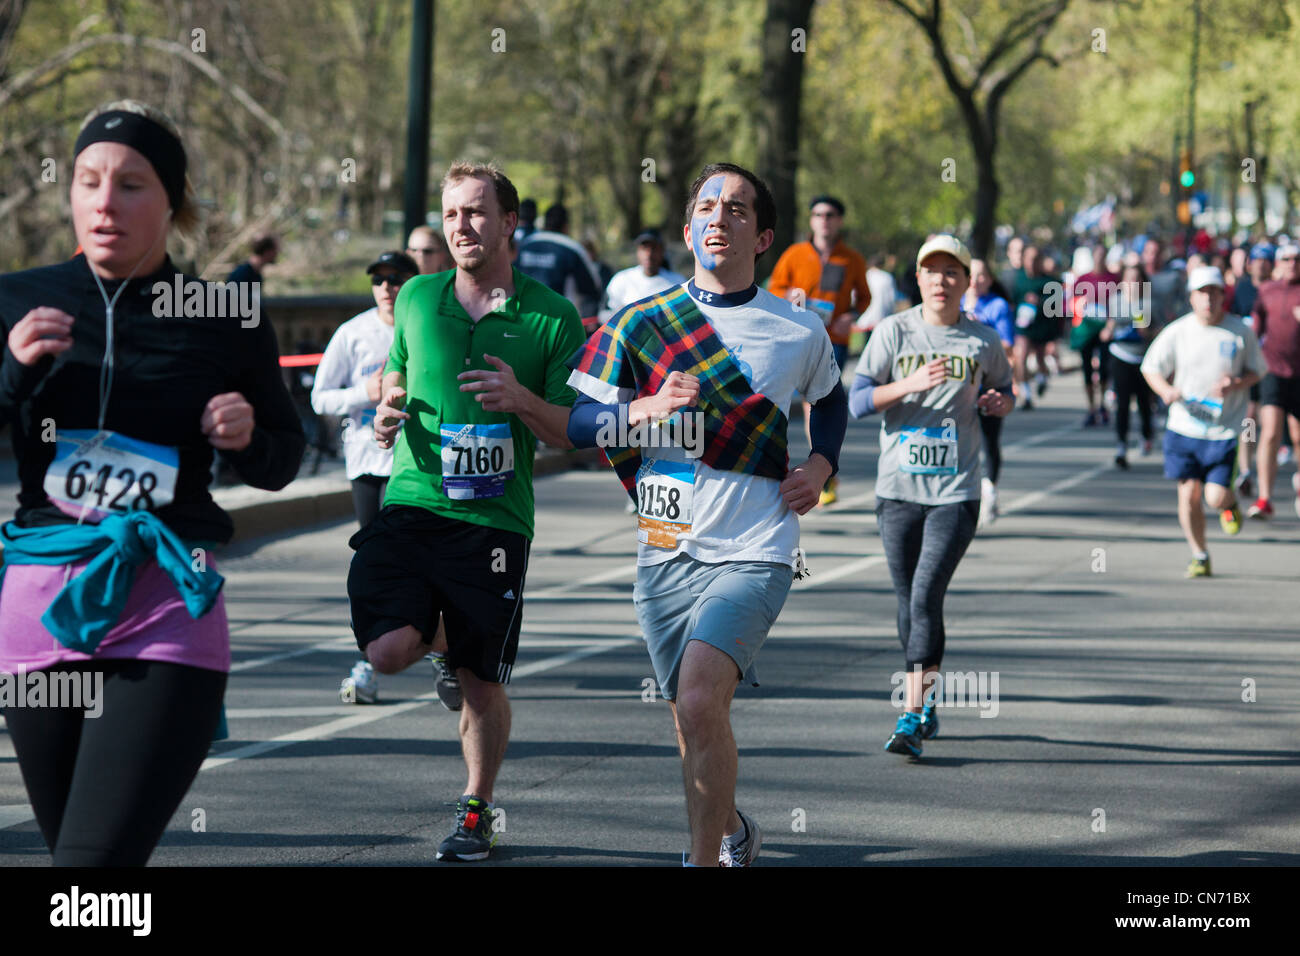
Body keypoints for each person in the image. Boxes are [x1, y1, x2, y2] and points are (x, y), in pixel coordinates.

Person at [0, 100, 305, 865]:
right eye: (88, 181)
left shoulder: (219, 311)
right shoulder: (17, 299)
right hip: (39, 619)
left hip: (165, 607)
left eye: (132, 184)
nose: (105, 203)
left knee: (91, 863)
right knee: (76, 862)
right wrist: (10, 373)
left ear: (172, 202)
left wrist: (244, 437)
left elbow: (281, 460)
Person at [565, 163, 846, 866]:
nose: (721, 217)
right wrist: (641, 410)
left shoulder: (797, 328)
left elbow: (832, 400)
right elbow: (579, 421)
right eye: (708, 207)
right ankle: (730, 832)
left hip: (756, 549)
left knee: (696, 698)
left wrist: (818, 463)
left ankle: (698, 862)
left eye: (739, 209)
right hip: (663, 550)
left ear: (765, 237)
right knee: (692, 719)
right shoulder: (640, 320)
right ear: (689, 229)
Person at [348, 161, 585, 861]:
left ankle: (476, 809)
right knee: (386, 652)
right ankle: (438, 644)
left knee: (484, 682)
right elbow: (396, 368)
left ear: (510, 223)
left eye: (477, 213)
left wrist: (523, 401)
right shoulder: (419, 297)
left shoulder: (551, 315)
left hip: (494, 521)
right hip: (414, 498)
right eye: (452, 214)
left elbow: (571, 427)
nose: (462, 227)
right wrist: (389, 402)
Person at [849, 235, 1014, 757]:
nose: (941, 281)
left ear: (967, 281)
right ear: (917, 279)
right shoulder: (893, 332)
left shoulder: (983, 340)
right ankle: (927, 695)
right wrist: (909, 384)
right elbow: (856, 402)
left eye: (952, 272)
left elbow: (1008, 393)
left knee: (925, 596)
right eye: (931, 271)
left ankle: (912, 714)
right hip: (896, 490)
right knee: (907, 602)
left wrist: (996, 402)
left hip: (955, 491)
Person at [312, 251, 457, 707]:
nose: (387, 287)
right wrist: (365, 393)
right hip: (370, 468)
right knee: (375, 571)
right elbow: (319, 397)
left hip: (422, 471)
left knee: (432, 564)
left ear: (414, 284)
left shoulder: (433, 326)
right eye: (378, 279)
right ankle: (369, 661)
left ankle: (442, 648)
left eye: (397, 278)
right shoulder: (352, 333)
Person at [1141, 267, 1260, 577]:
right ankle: (1200, 554)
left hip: (1224, 429)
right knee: (1188, 494)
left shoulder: (1239, 332)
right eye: (1202, 292)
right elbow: (1150, 367)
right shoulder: (1178, 331)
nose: (1208, 298)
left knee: (1214, 496)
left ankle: (1229, 502)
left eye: (1214, 292)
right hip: (1184, 427)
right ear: (1192, 297)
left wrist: (1235, 384)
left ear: (1223, 296)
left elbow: (1258, 370)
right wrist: (1166, 390)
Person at [767, 195, 871, 505]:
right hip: (797, 337)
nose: (823, 219)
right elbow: (773, 289)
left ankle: (823, 468)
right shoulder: (794, 254)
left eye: (830, 215)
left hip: (833, 341)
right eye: (817, 214)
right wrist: (790, 295)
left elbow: (864, 297)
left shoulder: (850, 258)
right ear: (811, 220)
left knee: (820, 402)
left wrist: (849, 318)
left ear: (839, 220)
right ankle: (815, 467)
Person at [1246, 242, 1300, 519]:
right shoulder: (1266, 292)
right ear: (1278, 263)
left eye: (1297, 259)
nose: (1292, 263)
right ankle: (1265, 497)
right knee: (1268, 432)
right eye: (1287, 258)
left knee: (1298, 435)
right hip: (1272, 371)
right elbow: (1255, 329)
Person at [963, 258, 1015, 524]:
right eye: (971, 275)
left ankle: (990, 491)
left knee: (989, 441)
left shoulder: (997, 305)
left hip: (990, 385)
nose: (976, 280)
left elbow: (1007, 344)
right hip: (960, 386)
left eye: (982, 275)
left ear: (990, 279)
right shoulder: (955, 303)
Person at [515, 202, 604, 322]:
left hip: (523, 319)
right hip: (559, 324)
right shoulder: (573, 249)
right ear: (566, 226)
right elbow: (593, 287)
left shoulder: (524, 246)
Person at [1106, 259, 1156, 468]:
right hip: (1120, 355)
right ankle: (1121, 446)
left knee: (1144, 403)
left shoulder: (1148, 303)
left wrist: (1146, 331)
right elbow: (1109, 326)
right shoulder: (1116, 301)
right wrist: (1107, 331)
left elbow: (1155, 331)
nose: (1132, 284)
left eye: (1136, 280)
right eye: (1129, 280)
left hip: (1143, 359)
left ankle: (1146, 435)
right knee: (1122, 404)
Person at [1070, 244, 1117, 427]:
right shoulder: (1083, 278)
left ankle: (1103, 405)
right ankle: (1091, 408)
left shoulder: (1113, 279)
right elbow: (1072, 302)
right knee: (1087, 369)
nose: (1099, 259)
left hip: (1105, 330)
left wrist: (1111, 325)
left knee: (1105, 368)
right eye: (1096, 256)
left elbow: (1119, 302)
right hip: (1087, 330)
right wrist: (1079, 306)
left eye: (1102, 255)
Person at [598, 229, 686, 321]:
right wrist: (621, 315)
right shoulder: (621, 279)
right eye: (644, 249)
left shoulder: (678, 282)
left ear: (662, 251)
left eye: (653, 248)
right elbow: (603, 315)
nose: (648, 254)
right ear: (637, 251)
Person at [1011, 244, 1055, 409]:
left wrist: (1040, 302)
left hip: (1042, 327)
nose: (1032, 262)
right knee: (1020, 357)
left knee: (1040, 359)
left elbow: (1057, 308)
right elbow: (1012, 300)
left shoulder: (1049, 281)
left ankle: (1043, 378)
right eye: (1029, 258)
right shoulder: (1018, 278)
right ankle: (1027, 395)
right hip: (1023, 326)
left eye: (1036, 259)